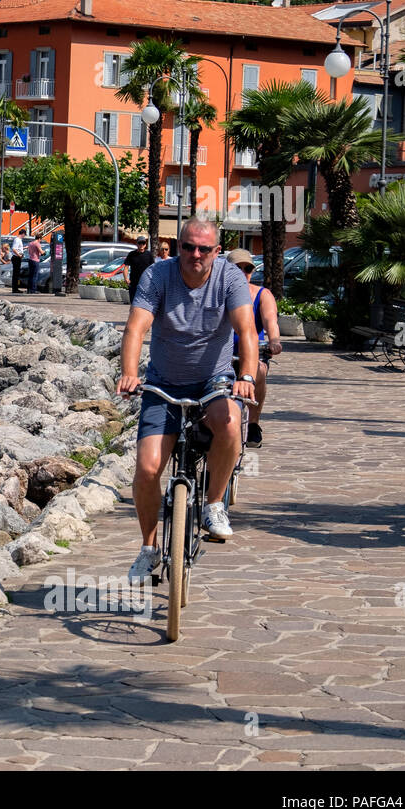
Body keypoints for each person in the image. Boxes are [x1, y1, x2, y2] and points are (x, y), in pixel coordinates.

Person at [117, 218, 259, 582]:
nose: (195, 255)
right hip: (163, 384)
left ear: (217, 251)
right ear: (177, 246)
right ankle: (149, 548)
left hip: (214, 381)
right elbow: (136, 327)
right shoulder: (158, 276)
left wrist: (245, 377)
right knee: (148, 470)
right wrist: (129, 372)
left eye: (204, 249)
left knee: (229, 421)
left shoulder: (229, 278)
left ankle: (214, 502)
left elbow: (246, 331)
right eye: (187, 247)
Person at [227, 248, 282, 447]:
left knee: (259, 370)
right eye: (237, 268)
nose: (243, 273)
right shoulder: (216, 292)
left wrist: (274, 340)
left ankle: (253, 424)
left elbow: (270, 321)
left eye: (247, 268)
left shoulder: (261, 294)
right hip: (221, 355)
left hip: (252, 354)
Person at [125, 235, 155, 302]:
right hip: (134, 283)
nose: (141, 245)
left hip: (146, 283)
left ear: (145, 244)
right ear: (137, 244)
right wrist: (126, 278)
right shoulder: (131, 254)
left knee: (144, 303)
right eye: (140, 243)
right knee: (133, 302)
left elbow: (153, 268)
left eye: (143, 243)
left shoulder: (149, 255)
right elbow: (126, 267)